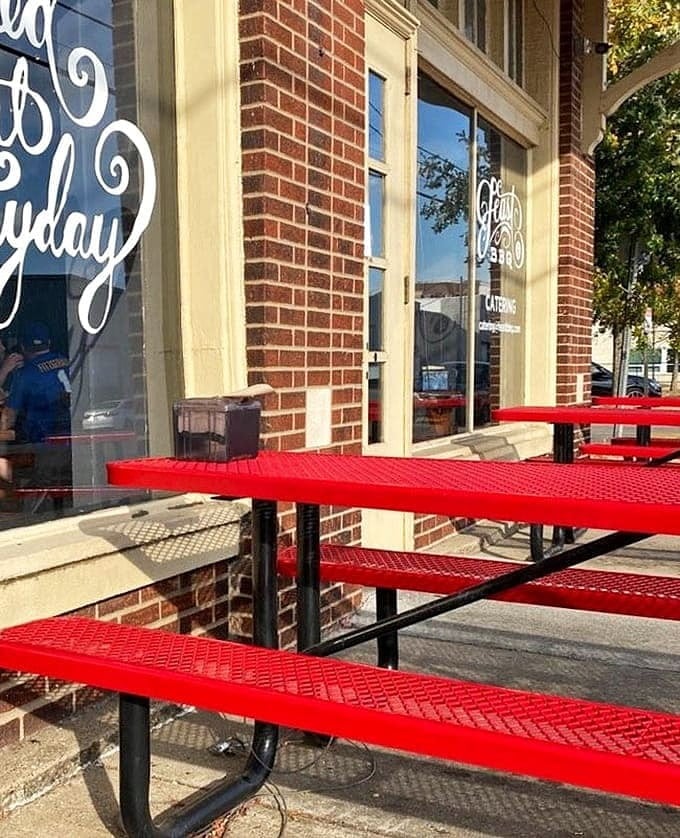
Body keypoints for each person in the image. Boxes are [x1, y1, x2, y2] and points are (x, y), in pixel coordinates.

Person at [4, 321, 72, 444]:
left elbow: (8, 420)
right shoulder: (66, 361)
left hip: (44, 439)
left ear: (22, 347)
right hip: (72, 433)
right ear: (49, 343)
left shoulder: (26, 374)